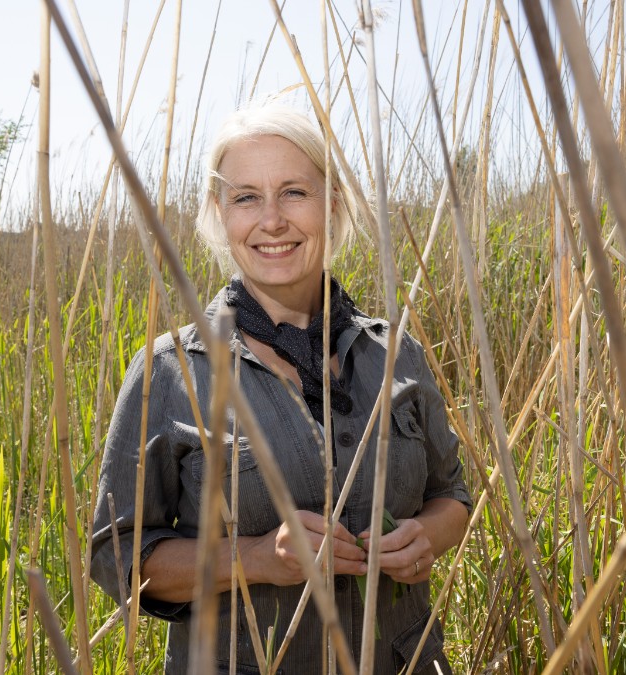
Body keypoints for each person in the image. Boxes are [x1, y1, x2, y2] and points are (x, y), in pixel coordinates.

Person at [90, 101, 472, 674]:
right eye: (246, 197)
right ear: (220, 214)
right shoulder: (168, 370)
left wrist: (425, 538)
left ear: (333, 204)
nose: (272, 220)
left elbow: (454, 499)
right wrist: (253, 559)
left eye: (295, 191)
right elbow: (116, 557)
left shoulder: (394, 353)